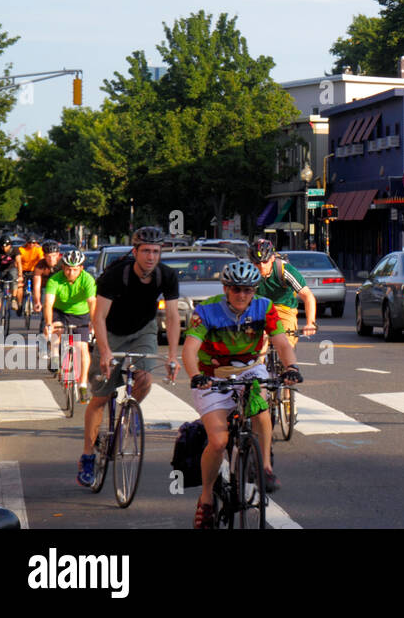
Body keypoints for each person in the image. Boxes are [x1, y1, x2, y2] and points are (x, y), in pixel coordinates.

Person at [185, 259, 301, 528]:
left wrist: (291, 367)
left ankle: (266, 468)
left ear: (255, 290)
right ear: (226, 288)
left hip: (250, 369)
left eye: (248, 290)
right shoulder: (207, 310)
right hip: (213, 376)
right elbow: (189, 349)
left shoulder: (265, 307)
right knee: (217, 441)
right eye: (236, 289)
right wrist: (196, 377)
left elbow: (281, 343)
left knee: (260, 407)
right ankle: (206, 500)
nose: (242, 295)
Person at [78, 226, 180, 488]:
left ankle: (126, 415)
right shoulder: (115, 275)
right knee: (100, 397)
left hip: (143, 330)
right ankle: (88, 455)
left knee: (145, 377)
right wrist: (105, 351)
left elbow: (171, 316)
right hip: (110, 332)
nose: (151, 257)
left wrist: (171, 356)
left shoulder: (166, 276)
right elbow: (98, 317)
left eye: (156, 251)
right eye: (145, 251)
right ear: (135, 251)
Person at [43, 249, 97, 402]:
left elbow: (92, 302)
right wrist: (48, 324)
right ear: (62, 267)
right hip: (60, 312)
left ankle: (83, 385)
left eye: (74, 269)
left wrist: (93, 321)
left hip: (81, 315)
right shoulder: (55, 280)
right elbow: (48, 303)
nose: (70, 272)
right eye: (67, 269)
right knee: (56, 331)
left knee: (82, 348)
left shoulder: (88, 279)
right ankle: (54, 357)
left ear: (81, 268)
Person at [248, 238, 317, 343]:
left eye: (265, 261)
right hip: (260, 308)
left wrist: (310, 323)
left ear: (272, 258)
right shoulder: (248, 274)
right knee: (258, 343)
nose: (261, 266)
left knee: (286, 343)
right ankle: (260, 360)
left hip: (284, 309)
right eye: (257, 263)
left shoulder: (284, 270)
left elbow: (308, 296)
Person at [0, 234, 20, 327]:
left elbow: (19, 263)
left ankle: (14, 300)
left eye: (6, 246)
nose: (4, 248)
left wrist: (21, 275)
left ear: (10, 245)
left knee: (14, 277)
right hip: (0, 271)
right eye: (2, 246)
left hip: (11, 269)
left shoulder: (15, 250)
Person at [31, 241, 63, 323]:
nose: (51, 259)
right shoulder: (40, 265)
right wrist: (37, 302)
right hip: (46, 288)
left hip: (61, 288)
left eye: (54, 256)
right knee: (46, 307)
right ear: (44, 256)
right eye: (48, 256)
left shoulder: (64, 263)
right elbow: (37, 286)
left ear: (58, 255)